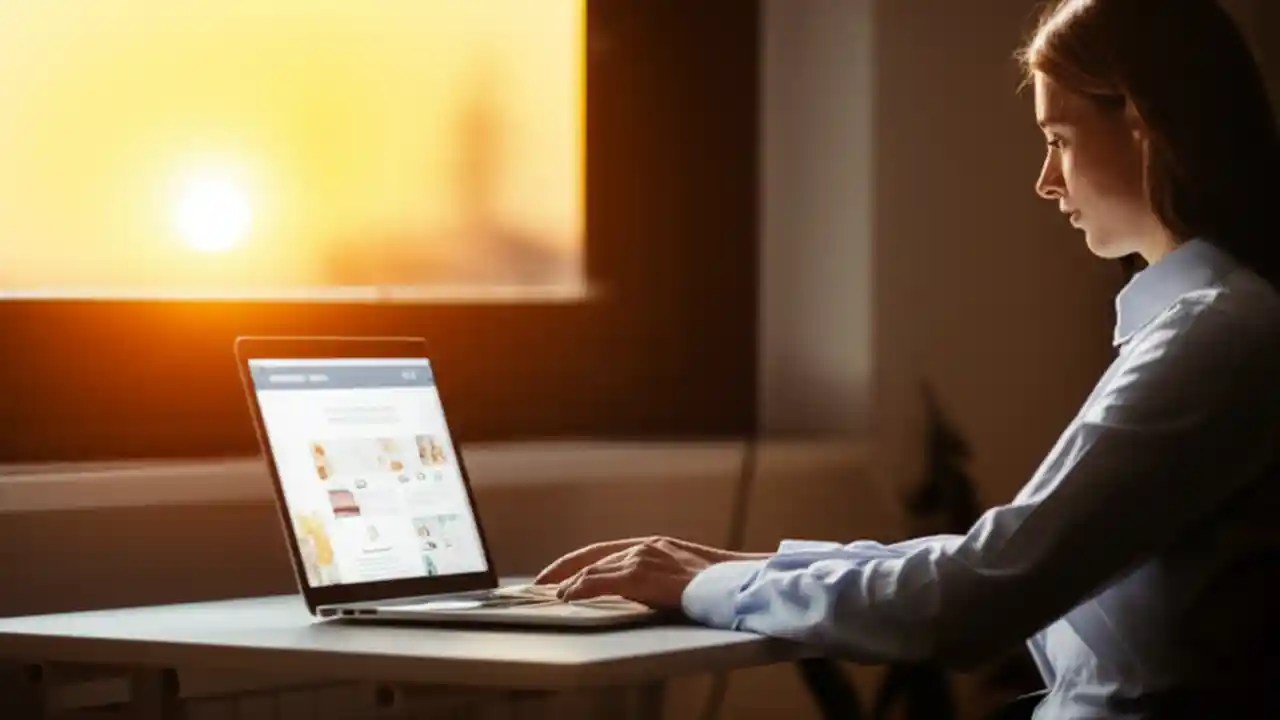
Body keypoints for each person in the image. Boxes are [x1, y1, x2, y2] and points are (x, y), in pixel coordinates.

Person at [535, 1, 1280, 717]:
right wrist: (732, 569)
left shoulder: (1217, 340)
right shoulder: (1201, 331)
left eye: (1058, 139)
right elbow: (998, 560)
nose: (1045, 180)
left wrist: (714, 586)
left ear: (1144, 126)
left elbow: (977, 595)